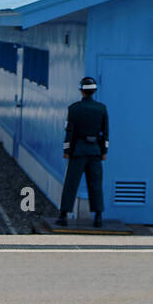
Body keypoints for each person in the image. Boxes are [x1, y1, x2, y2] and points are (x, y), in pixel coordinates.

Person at [58, 75, 108, 228]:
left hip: (78, 150)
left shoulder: (74, 109)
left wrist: (67, 150)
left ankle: (64, 215)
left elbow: (69, 132)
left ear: (81, 91)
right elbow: (105, 133)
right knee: (95, 184)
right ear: (94, 91)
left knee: (71, 184)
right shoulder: (102, 109)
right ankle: (98, 217)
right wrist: (104, 150)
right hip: (95, 151)